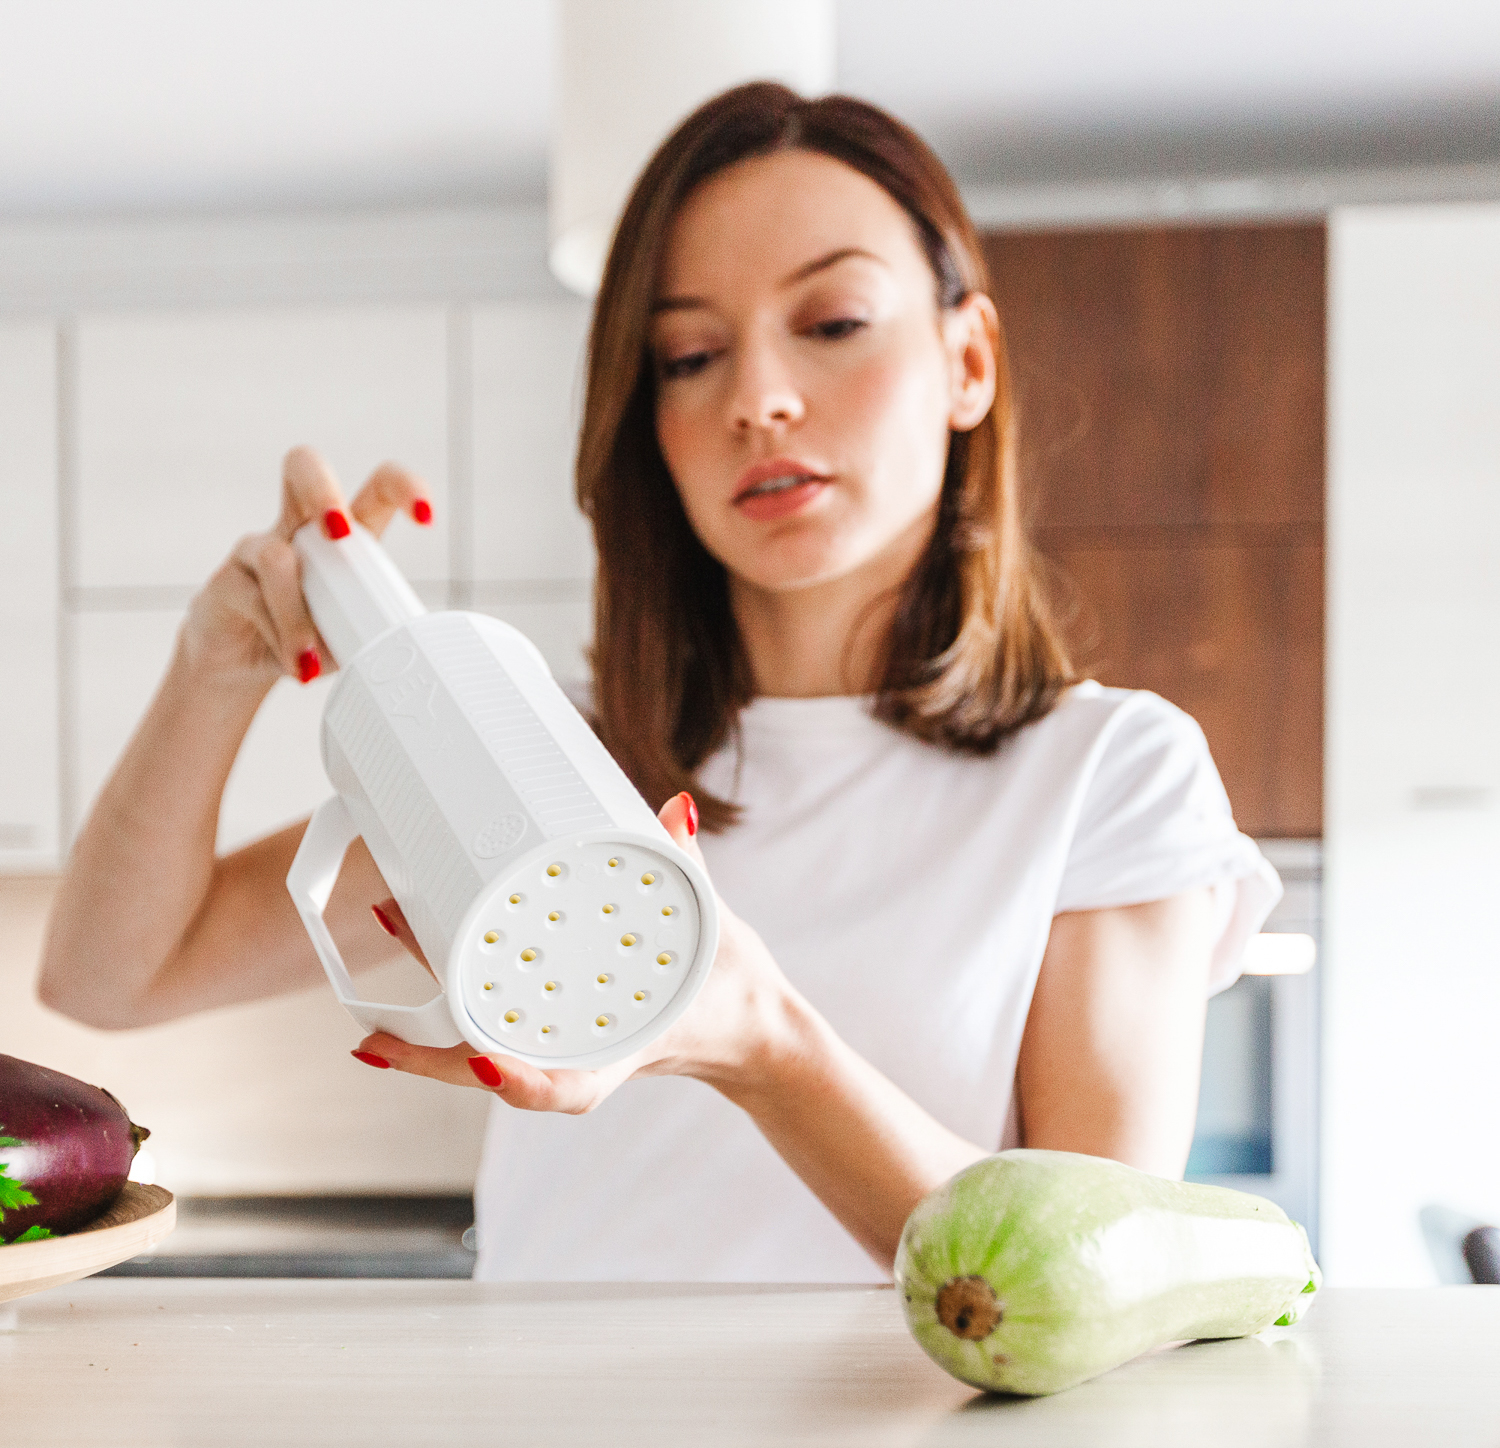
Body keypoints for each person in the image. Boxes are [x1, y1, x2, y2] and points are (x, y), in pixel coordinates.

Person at [39, 84, 1279, 1280]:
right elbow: (107, 977)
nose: (759, 399)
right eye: (689, 354)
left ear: (969, 361)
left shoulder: (1109, 774)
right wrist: (216, 670)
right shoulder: (533, 758)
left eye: (833, 323)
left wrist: (765, 1047)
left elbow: (1090, 1276)